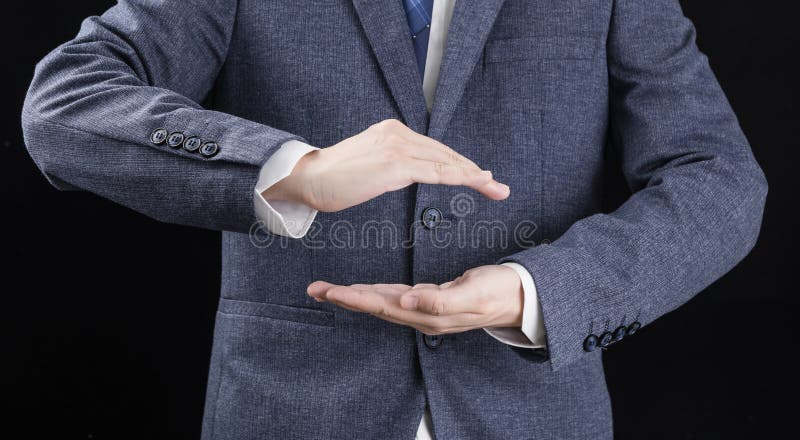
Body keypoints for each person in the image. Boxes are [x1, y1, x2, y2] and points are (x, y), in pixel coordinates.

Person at [21, 0, 767, 439]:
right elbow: (64, 104)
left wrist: (536, 292)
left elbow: (720, 178)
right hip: (289, 415)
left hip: (535, 416)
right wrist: (292, 171)